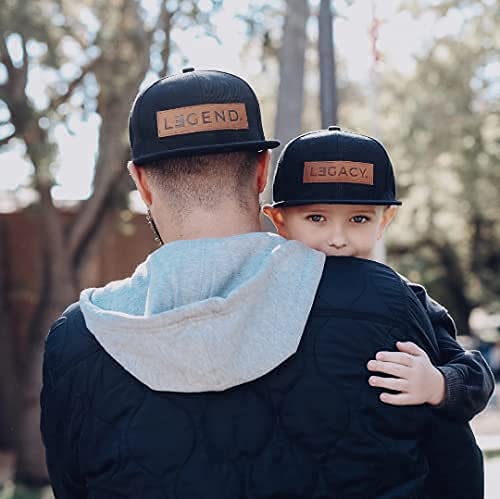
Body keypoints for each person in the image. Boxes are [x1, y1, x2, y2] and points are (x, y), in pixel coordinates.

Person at [40, 70, 491, 499]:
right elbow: (456, 474)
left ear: (141, 182)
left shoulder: (78, 341)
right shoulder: (383, 298)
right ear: (262, 172)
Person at [262, 126, 493, 497]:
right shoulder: (260, 290)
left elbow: (474, 372)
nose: (337, 238)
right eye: (316, 219)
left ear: (384, 222)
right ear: (279, 221)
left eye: (359, 220)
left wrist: (436, 384)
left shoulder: (408, 299)